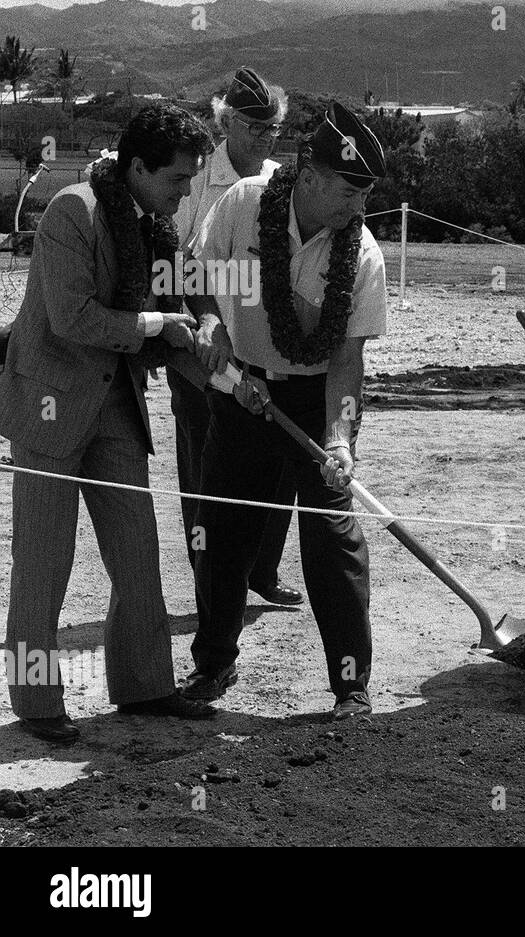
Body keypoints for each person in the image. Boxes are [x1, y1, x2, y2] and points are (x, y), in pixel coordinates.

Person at [0, 104, 218, 744]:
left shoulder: (156, 229)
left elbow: (181, 317)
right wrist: (157, 326)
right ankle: (36, 703)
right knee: (43, 563)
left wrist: (223, 373)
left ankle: (146, 687)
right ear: (139, 167)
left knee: (137, 552)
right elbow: (72, 319)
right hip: (50, 408)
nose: (184, 194)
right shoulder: (73, 211)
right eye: (178, 179)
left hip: (116, 408)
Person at [179, 102, 388, 720]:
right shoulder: (244, 203)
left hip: (314, 399)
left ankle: (351, 686)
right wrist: (213, 324)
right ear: (311, 175)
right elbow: (199, 278)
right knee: (221, 533)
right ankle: (212, 664)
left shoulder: (363, 254)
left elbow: (348, 363)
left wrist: (341, 441)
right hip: (241, 391)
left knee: (332, 540)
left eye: (366, 194)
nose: (359, 207)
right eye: (351, 190)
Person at [170, 67, 303, 607]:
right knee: (204, 460)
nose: (265, 136)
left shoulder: (279, 181)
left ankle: (262, 572)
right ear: (227, 123)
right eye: (253, 125)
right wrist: (204, 321)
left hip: (265, 345)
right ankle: (208, 573)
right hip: (203, 343)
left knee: (278, 458)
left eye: (273, 126)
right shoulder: (196, 181)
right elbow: (177, 260)